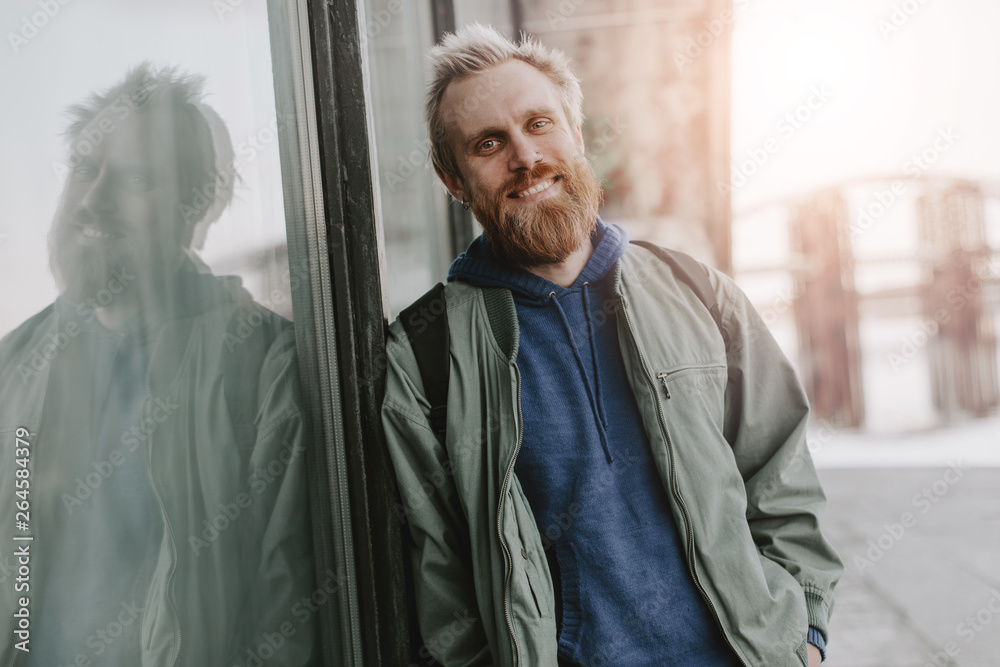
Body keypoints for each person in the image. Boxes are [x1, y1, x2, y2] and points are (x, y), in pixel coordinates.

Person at [382, 24, 843, 667]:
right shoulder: (423, 354)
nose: (525, 156)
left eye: (539, 123)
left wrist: (805, 638)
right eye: (489, 143)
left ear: (576, 132)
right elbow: (437, 578)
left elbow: (780, 475)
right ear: (452, 179)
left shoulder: (698, 291)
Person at [0, 64, 316, 666]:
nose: (92, 200)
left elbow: (289, 615)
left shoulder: (262, 366)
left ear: (193, 208)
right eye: (85, 170)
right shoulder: (15, 364)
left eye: (135, 178)